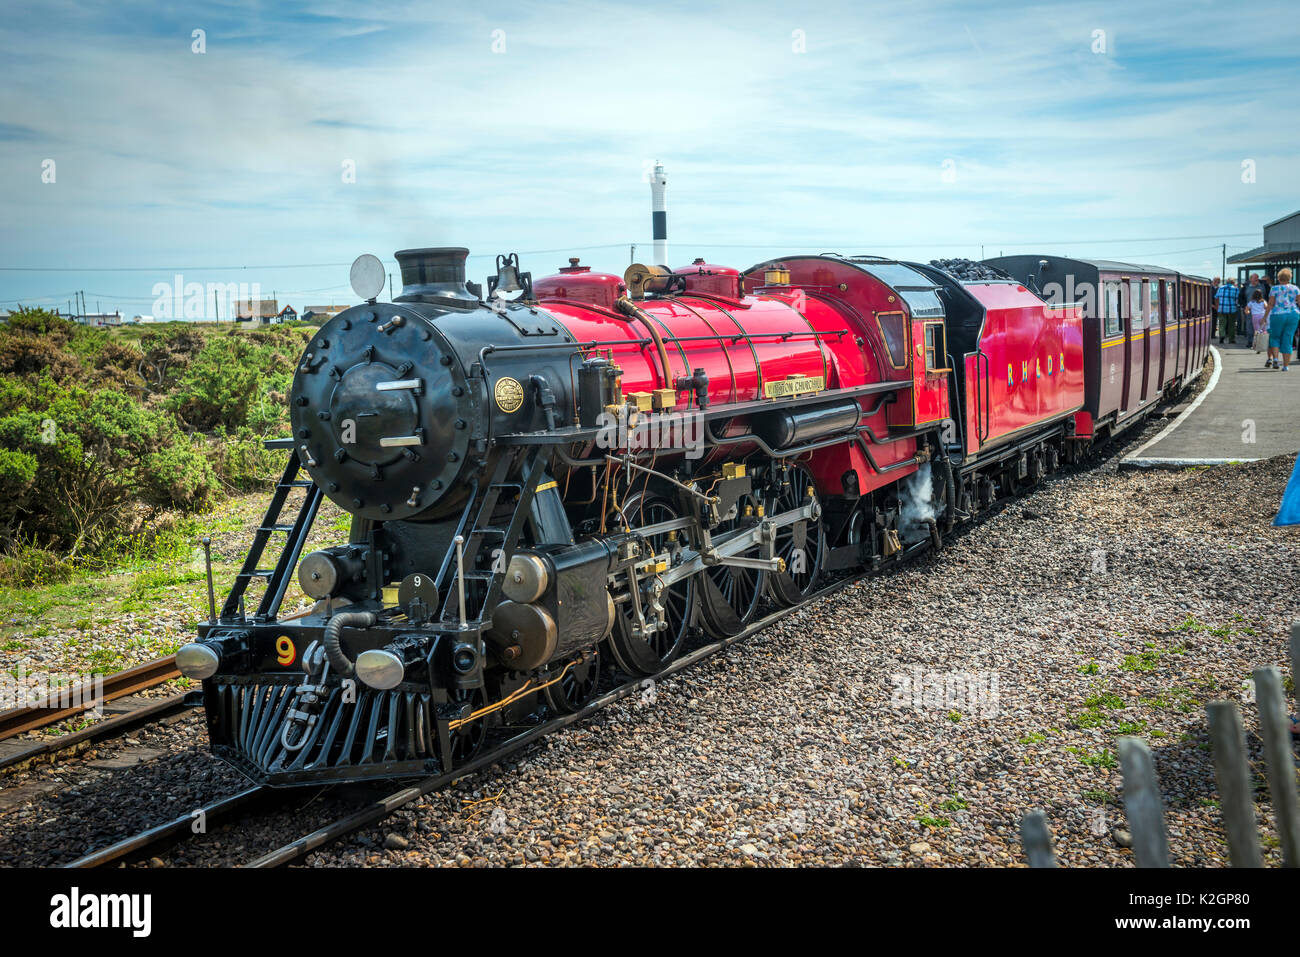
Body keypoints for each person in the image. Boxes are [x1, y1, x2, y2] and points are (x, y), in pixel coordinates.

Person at [1264, 267, 1300, 371]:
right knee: (1288, 338)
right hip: (1293, 314)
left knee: (1275, 337)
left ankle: (1275, 358)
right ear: (1289, 278)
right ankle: (1285, 366)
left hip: (1278, 314)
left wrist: (1264, 317)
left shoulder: (1274, 289)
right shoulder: (1296, 288)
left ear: (1279, 278)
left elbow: (1270, 304)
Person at [1216, 276, 1239, 344]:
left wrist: (1218, 307)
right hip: (1232, 309)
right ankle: (1231, 339)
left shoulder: (1220, 288)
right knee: (1231, 324)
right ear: (1233, 283)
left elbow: (1216, 297)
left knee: (1222, 324)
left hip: (1221, 309)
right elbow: (1237, 299)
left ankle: (1222, 336)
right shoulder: (1235, 289)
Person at [1248, 290, 1269, 358]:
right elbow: (1267, 307)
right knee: (1264, 331)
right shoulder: (1263, 301)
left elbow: (1247, 309)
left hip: (1255, 317)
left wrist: (1248, 312)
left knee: (1257, 331)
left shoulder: (1251, 302)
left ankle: (1256, 346)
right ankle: (1264, 345)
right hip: (1263, 316)